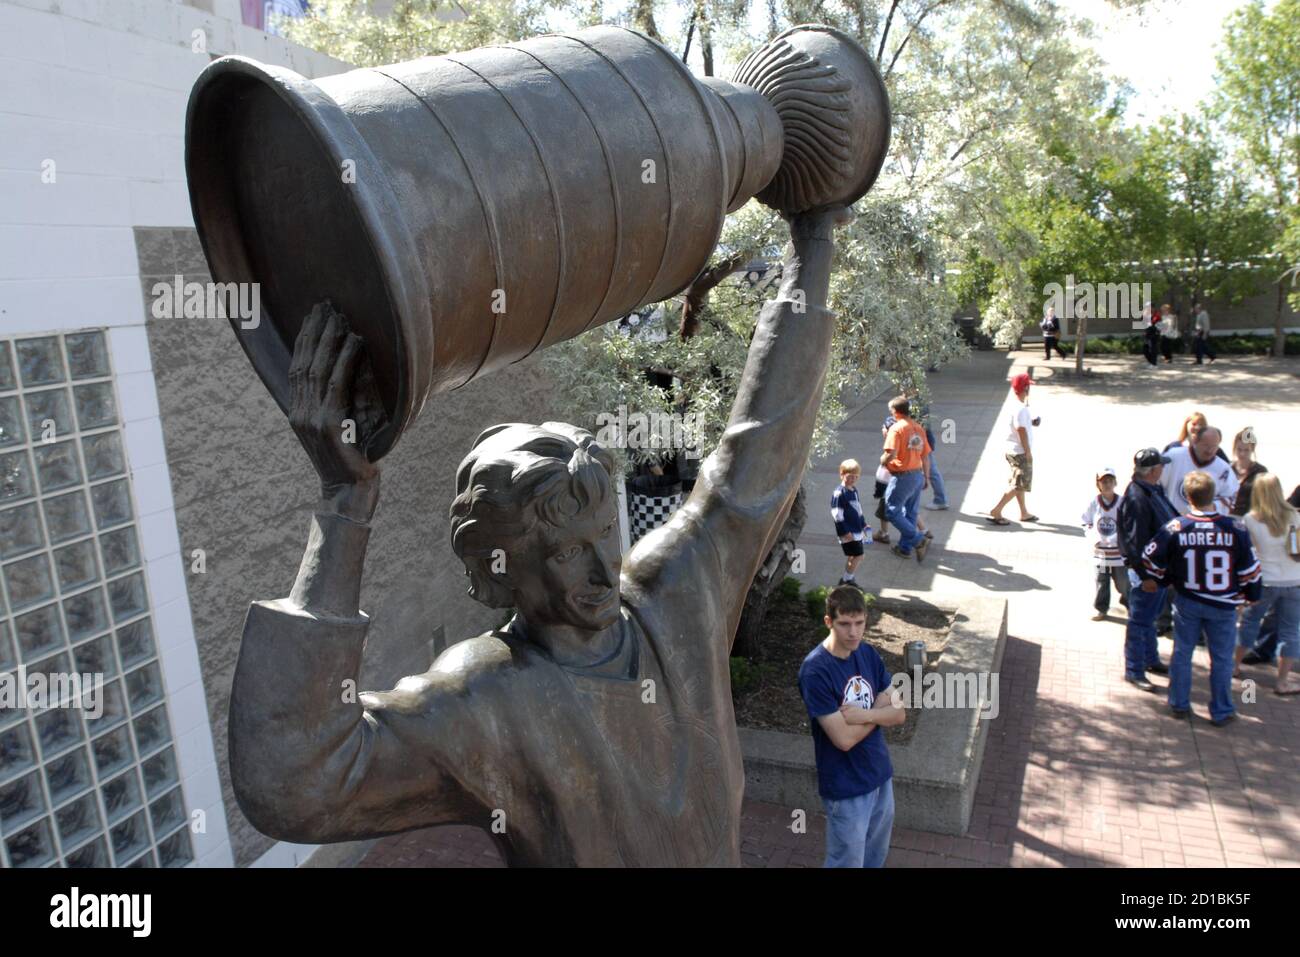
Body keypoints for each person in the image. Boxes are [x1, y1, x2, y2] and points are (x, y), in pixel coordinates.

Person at [225, 206, 855, 867]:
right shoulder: (488, 700)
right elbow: (298, 783)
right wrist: (346, 502)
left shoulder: (677, 599)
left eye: (605, 531)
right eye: (561, 551)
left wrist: (813, 240)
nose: (600, 567)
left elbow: (761, 451)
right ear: (496, 575)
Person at [798, 585, 905, 868]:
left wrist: (863, 715)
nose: (854, 632)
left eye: (859, 623)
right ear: (829, 622)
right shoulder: (815, 671)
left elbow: (900, 713)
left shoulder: (867, 654)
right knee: (846, 862)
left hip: (880, 776)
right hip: (846, 788)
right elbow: (843, 740)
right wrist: (879, 712)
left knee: (874, 859)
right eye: (845, 624)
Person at [1142, 471, 1262, 724]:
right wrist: (1251, 594)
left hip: (1188, 601)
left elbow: (1150, 557)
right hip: (1224, 604)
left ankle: (1178, 703)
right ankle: (1221, 710)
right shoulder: (1235, 528)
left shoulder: (1176, 527)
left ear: (1188, 497)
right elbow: (1250, 570)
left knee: (1182, 652)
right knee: (1220, 659)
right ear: (1213, 496)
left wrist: (1162, 579)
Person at [1234, 475, 1300, 694]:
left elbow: (1247, 554)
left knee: (1249, 623)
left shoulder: (1251, 519)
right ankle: (1282, 682)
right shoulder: (1293, 515)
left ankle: (1233, 666)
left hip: (1264, 581)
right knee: (1290, 632)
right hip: (1293, 580)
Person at [1116, 448, 1177, 691]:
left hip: (1159, 571)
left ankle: (1151, 660)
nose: (1163, 468)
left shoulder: (1152, 490)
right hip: (1148, 574)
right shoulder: (1137, 498)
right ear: (1152, 471)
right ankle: (1134, 670)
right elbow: (1134, 543)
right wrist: (1144, 575)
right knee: (1140, 621)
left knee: (1149, 619)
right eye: (1160, 466)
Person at [881, 396, 933, 562]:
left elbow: (891, 454)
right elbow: (925, 456)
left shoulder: (896, 429)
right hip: (917, 474)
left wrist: (882, 461)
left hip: (902, 477)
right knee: (910, 512)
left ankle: (918, 539)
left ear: (895, 412)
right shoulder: (918, 428)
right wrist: (926, 477)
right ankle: (904, 548)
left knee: (892, 511)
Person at [987, 372, 1039, 525]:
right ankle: (997, 509)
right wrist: (1028, 452)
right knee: (1018, 484)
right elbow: (1021, 429)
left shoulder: (1015, 405)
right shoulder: (1021, 409)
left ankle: (1023, 512)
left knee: (1019, 482)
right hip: (1020, 451)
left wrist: (1032, 421)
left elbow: (1020, 424)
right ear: (1026, 388)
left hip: (1011, 449)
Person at [884, 399, 948, 511]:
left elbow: (911, 422)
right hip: (918, 443)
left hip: (918, 443)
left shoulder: (916, 404)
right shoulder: (913, 402)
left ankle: (940, 499)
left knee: (931, 470)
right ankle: (939, 499)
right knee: (928, 469)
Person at [1083, 466, 1128, 620]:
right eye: (1104, 481)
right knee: (1101, 580)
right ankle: (1101, 608)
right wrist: (1092, 536)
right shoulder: (1094, 503)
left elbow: (1129, 524)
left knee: (1123, 582)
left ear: (1115, 483)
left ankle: (1128, 601)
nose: (1107, 484)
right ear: (1098, 484)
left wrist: (1120, 539)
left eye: (1110, 481)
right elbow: (1086, 521)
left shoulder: (1122, 502)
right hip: (1101, 553)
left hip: (1118, 553)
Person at [1161, 427, 1239, 515]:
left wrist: (1212, 507)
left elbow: (1231, 497)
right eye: (1206, 445)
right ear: (1195, 441)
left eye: (1214, 446)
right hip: (1170, 519)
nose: (1210, 450)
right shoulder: (1174, 456)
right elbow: (1155, 484)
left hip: (1204, 525)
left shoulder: (1224, 470)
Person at [832, 459, 869, 587]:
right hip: (848, 532)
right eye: (850, 476)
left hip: (856, 529)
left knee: (855, 555)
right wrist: (844, 531)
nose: (853, 479)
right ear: (842, 474)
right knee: (859, 555)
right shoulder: (839, 493)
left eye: (856, 476)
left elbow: (858, 509)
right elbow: (837, 514)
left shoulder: (853, 490)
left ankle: (847, 578)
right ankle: (846, 580)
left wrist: (863, 524)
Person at [1163, 411, 1229, 463]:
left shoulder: (1215, 450)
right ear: (1186, 425)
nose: (1197, 427)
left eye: (1201, 424)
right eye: (1194, 424)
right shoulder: (1174, 447)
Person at [1229, 427, 1267, 516]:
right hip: (1229, 516)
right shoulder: (1228, 469)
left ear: (1253, 449)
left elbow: (1265, 499)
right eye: (1239, 449)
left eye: (1246, 450)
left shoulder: (1260, 471)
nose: (1242, 454)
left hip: (1251, 517)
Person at [1142, 303, 1161, 367]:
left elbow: (1156, 325)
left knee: (1153, 349)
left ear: (1153, 308)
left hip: (1154, 334)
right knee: (1145, 350)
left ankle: (1154, 364)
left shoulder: (1157, 316)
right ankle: (1151, 362)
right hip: (1148, 334)